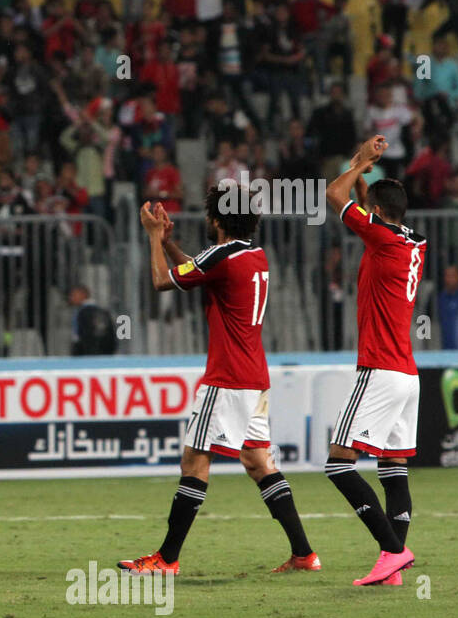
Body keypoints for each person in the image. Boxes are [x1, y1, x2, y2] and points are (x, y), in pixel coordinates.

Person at [118, 187, 318, 575]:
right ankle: (304, 555)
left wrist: (153, 238)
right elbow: (203, 271)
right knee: (260, 463)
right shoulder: (253, 255)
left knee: (194, 461)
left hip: (226, 378)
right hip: (254, 377)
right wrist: (171, 244)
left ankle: (166, 559)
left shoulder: (221, 256)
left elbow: (162, 281)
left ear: (216, 220)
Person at [323, 135, 426, 587]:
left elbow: (334, 195)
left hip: (380, 369)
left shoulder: (381, 239)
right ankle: (393, 571)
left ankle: (393, 550)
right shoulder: (413, 243)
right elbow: (364, 203)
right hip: (408, 373)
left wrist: (360, 161)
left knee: (339, 463)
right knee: (393, 468)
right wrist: (363, 168)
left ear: (377, 215)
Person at [68, 285, 116, 355]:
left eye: (74, 295)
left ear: (82, 294)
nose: (71, 298)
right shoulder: (102, 311)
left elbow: (87, 336)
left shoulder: (84, 312)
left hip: (88, 355)